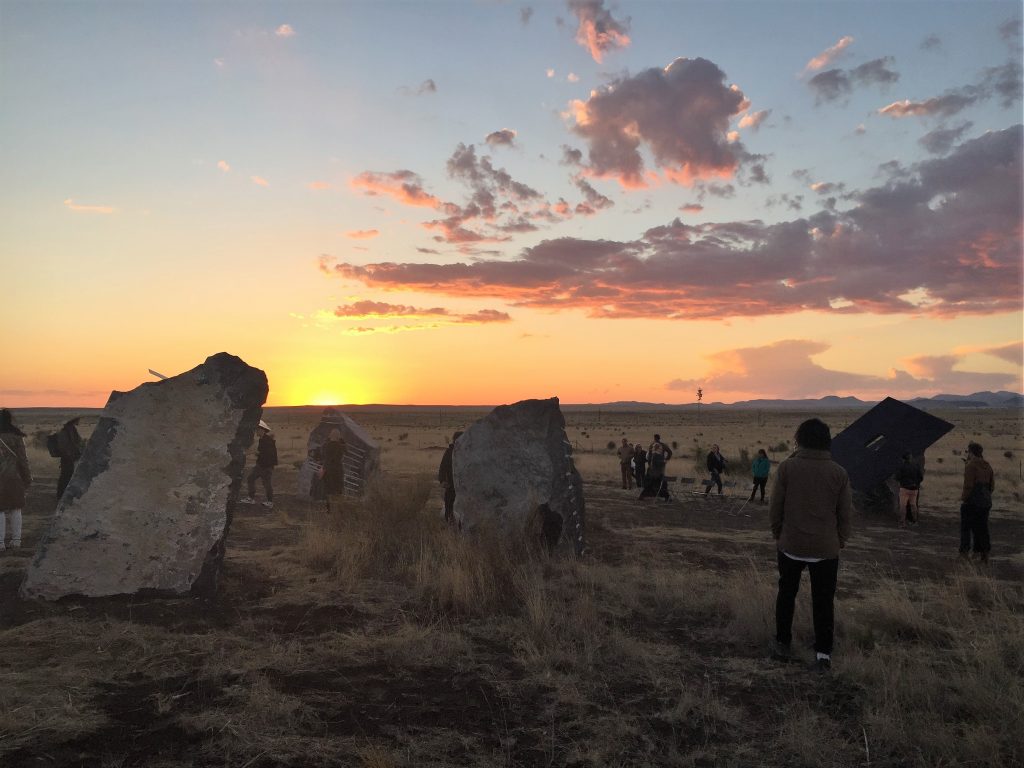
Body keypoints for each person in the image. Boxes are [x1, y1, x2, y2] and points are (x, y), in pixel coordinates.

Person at [769, 418, 853, 673]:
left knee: (786, 594)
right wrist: (839, 540)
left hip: (790, 544)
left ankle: (782, 643)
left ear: (800, 439)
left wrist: (779, 534)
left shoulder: (787, 468)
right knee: (824, 601)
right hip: (825, 548)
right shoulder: (839, 472)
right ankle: (823, 654)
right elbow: (845, 514)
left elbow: (775, 507)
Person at [0, 409, 32, 552]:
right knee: (16, 508)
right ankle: (16, 541)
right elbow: (23, 460)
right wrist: (27, 477)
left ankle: (0, 543)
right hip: (15, 477)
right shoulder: (17, 437)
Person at [959, 442, 994, 563]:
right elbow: (992, 486)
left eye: (968, 452)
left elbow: (968, 485)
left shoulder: (971, 466)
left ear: (971, 452)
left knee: (966, 528)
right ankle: (983, 553)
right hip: (985, 502)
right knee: (982, 528)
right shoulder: (988, 466)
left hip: (972, 502)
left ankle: (964, 553)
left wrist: (964, 498)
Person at [241, 420, 277, 508]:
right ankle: (253, 498)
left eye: (257, 430)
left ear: (262, 430)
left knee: (265, 483)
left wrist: (257, 453)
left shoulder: (267, 441)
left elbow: (269, 454)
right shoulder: (263, 439)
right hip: (262, 465)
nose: (256, 431)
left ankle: (269, 501)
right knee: (253, 479)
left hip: (265, 466)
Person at [55, 417, 84, 499]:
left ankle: (61, 495)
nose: (79, 421)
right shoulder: (68, 431)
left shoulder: (69, 430)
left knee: (66, 476)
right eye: (77, 420)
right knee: (66, 476)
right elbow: (70, 445)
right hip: (68, 458)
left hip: (68, 458)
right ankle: (62, 496)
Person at [438, 431, 463, 523]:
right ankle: (449, 524)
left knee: (462, 510)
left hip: (463, 487)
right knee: (449, 508)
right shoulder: (449, 452)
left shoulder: (466, 452)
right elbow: (442, 467)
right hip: (451, 486)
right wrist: (442, 481)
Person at [894, 453, 924, 527]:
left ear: (903, 459)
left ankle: (902, 522)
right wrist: (916, 483)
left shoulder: (902, 467)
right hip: (914, 489)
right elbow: (920, 477)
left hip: (904, 488)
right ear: (910, 458)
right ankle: (915, 521)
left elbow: (897, 477)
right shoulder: (916, 466)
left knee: (903, 506)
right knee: (913, 505)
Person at [639, 435, 672, 501]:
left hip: (653, 468)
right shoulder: (662, 445)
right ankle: (666, 497)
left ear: (654, 438)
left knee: (650, 482)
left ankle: (643, 495)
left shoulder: (652, 445)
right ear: (659, 438)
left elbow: (649, 456)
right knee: (660, 482)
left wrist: (649, 464)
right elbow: (670, 452)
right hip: (659, 467)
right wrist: (665, 460)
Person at [321, 428, 347, 511]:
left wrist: (327, 439)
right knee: (339, 488)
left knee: (328, 489)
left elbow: (322, 454)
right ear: (339, 436)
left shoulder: (325, 445)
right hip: (338, 469)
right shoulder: (341, 446)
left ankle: (328, 508)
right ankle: (340, 508)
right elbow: (347, 451)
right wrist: (342, 441)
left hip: (328, 469)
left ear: (330, 435)